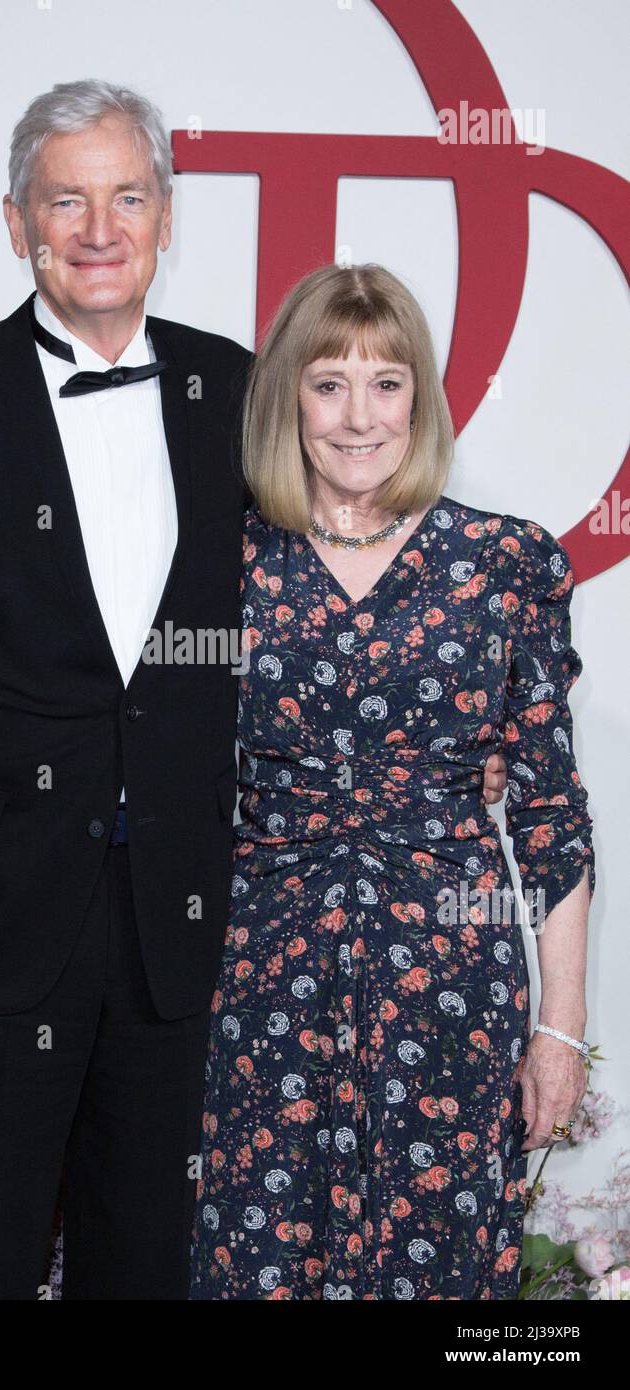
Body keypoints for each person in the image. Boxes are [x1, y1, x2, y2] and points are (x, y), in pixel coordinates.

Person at [0, 79, 508, 1301]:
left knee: (150, 1266)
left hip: (188, 924)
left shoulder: (239, 394)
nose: (97, 228)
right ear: (14, 221)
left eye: (128, 196)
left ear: (168, 219)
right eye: (64, 199)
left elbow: (344, 561)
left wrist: (457, 728)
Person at [189, 263, 595, 1301]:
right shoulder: (220, 564)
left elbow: (551, 814)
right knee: (256, 1259)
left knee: (443, 1276)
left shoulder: (502, 565)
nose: (358, 416)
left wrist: (559, 1029)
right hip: (258, 978)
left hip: (450, 975)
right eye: (329, 383)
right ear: (288, 397)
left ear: (423, 397)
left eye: (386, 382)